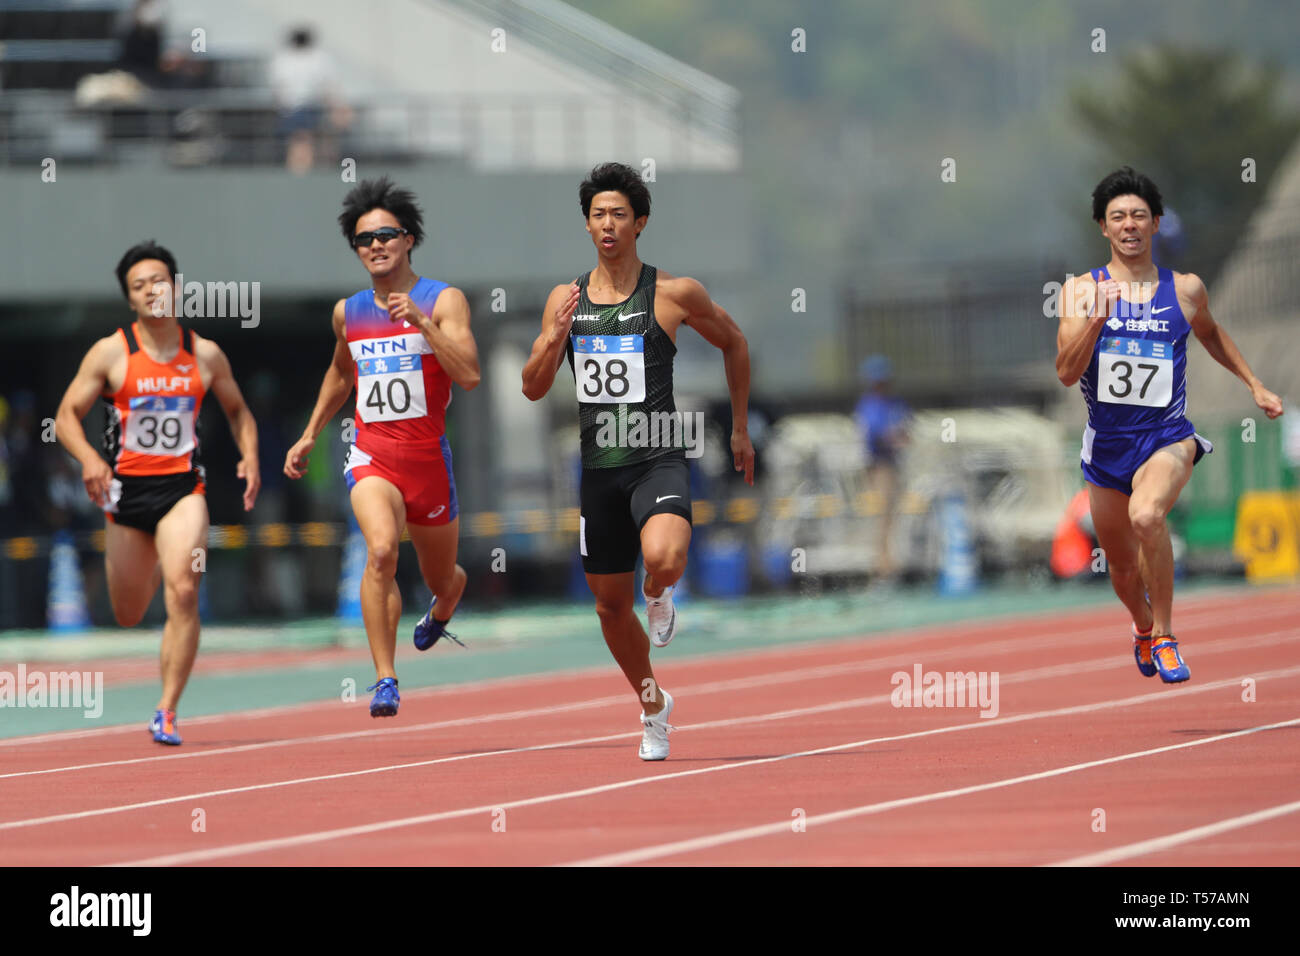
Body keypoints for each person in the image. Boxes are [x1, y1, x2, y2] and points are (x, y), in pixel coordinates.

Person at [521, 162, 755, 760]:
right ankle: (653, 705)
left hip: (658, 454)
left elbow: (734, 342)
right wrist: (553, 338)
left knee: (665, 557)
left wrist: (740, 429)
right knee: (606, 605)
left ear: (639, 223)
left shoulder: (674, 294)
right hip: (599, 469)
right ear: (587, 224)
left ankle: (660, 590)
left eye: (618, 214)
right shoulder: (564, 298)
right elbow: (531, 387)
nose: (607, 224)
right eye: (597, 215)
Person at [1056, 166, 1283, 683]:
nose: (1129, 225)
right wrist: (1096, 320)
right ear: (1103, 228)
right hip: (1107, 447)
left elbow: (1212, 334)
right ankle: (1140, 625)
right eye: (1118, 217)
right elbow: (1067, 373)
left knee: (1147, 516)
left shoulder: (1185, 290)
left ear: (1156, 224)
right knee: (1120, 566)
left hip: (1166, 437)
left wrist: (1255, 384)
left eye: (1139, 215)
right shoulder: (1079, 292)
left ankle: (1165, 633)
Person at [284, 177, 479, 718]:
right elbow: (339, 376)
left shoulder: (443, 299)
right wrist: (309, 434)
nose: (375, 245)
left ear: (409, 239)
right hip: (373, 454)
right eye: (364, 239)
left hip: (428, 462)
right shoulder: (348, 313)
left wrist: (421, 323)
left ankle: (446, 600)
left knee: (443, 576)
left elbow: (469, 375)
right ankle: (385, 677)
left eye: (386, 235)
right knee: (382, 551)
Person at [54, 240, 261, 744]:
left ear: (177, 287)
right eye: (139, 286)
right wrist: (90, 459)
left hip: (182, 491)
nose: (151, 291)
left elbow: (237, 409)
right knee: (126, 612)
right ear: (131, 299)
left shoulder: (204, 353)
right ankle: (147, 566)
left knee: (185, 591)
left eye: (158, 281)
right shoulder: (111, 352)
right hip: (125, 497)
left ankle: (166, 709)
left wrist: (249, 453)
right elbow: (64, 419)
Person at [853, 354, 910, 582]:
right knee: (882, 516)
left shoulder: (896, 404)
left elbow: (905, 432)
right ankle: (882, 567)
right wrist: (892, 438)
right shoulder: (869, 405)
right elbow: (874, 436)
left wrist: (897, 437)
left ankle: (890, 564)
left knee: (894, 516)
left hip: (896, 465)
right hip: (878, 467)